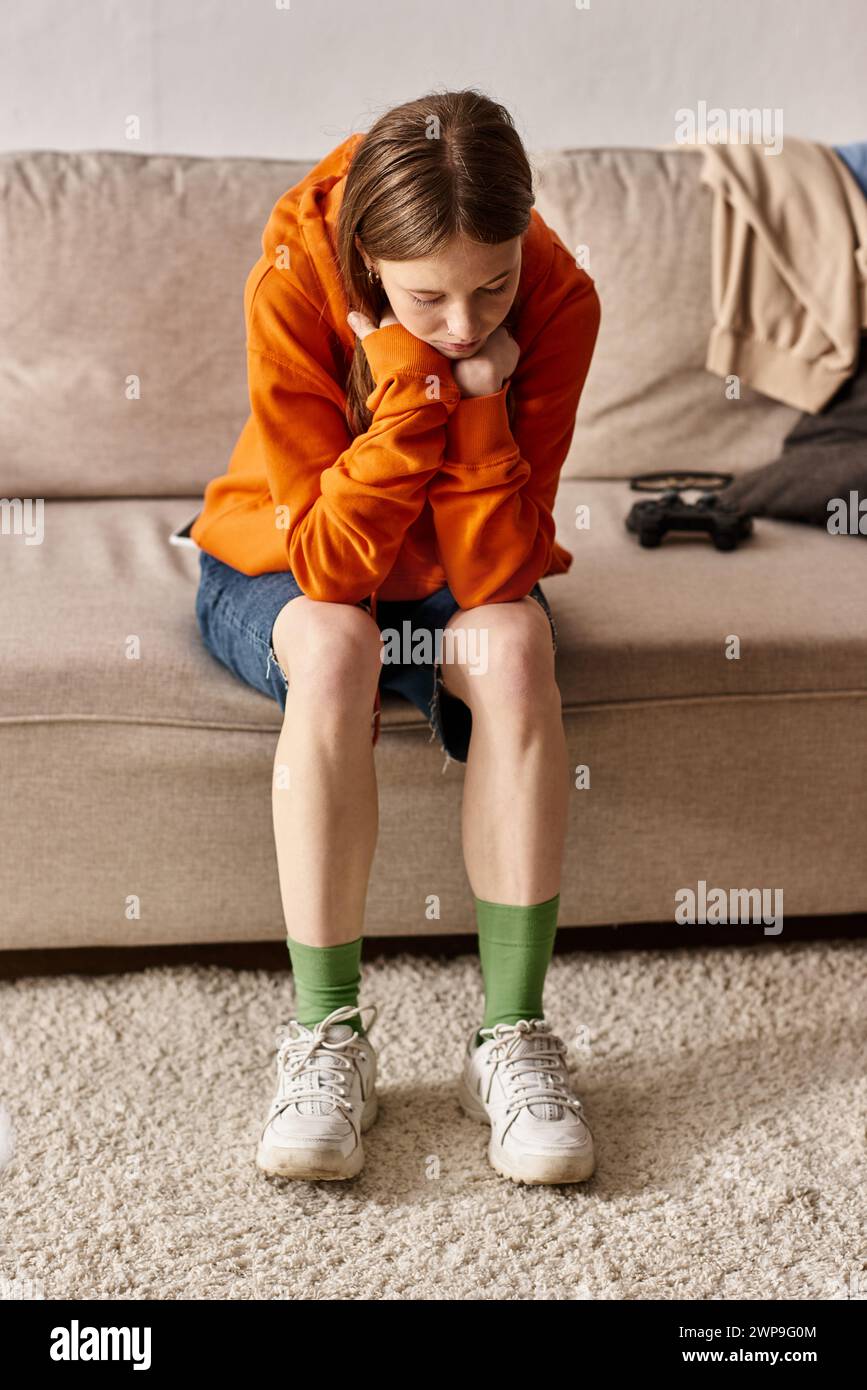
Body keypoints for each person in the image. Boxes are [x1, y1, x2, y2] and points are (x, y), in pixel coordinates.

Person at [191, 88, 601, 1185]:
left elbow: (498, 568)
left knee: (515, 646)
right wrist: (421, 392)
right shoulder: (293, 275)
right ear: (371, 262)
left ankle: (509, 1037)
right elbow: (329, 562)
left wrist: (476, 404)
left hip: (458, 555)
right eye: (429, 299)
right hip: (292, 554)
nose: (468, 324)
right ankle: (328, 1037)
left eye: (493, 286)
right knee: (333, 641)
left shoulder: (559, 298)